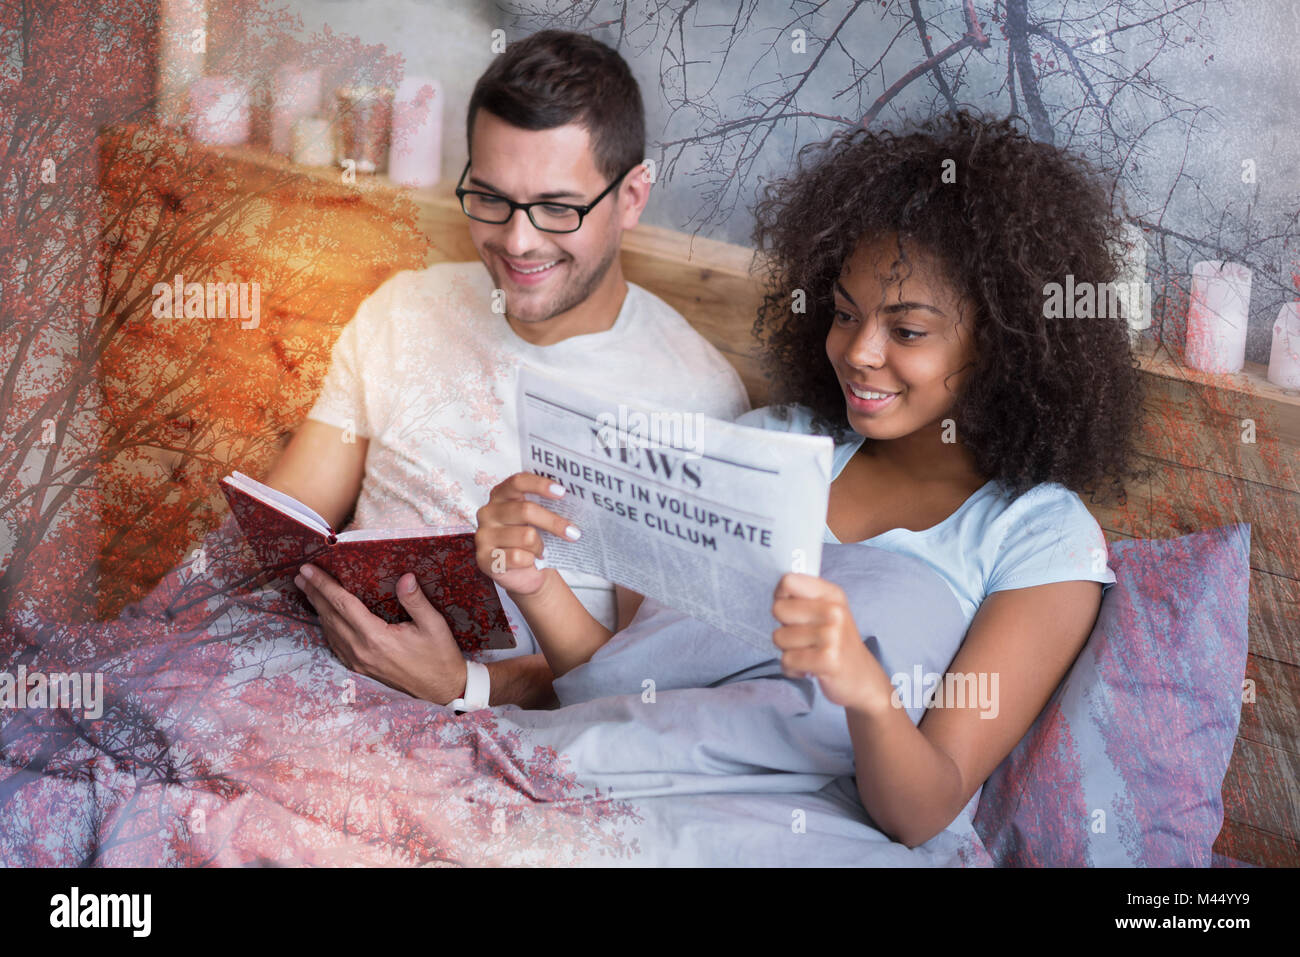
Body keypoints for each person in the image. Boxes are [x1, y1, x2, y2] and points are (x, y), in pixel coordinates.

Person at [474, 112, 1142, 847]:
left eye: (907, 330)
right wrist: (536, 584)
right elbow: (624, 693)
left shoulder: (1039, 535)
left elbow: (921, 811)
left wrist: (865, 691)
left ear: (1003, 343)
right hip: (601, 778)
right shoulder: (774, 446)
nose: (859, 352)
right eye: (845, 315)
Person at [265, 30, 750, 711]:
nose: (518, 241)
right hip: (322, 669)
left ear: (632, 197)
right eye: (490, 198)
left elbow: (650, 680)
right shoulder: (404, 307)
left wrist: (465, 686)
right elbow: (289, 526)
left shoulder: (691, 397)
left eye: (557, 208)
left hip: (506, 719)